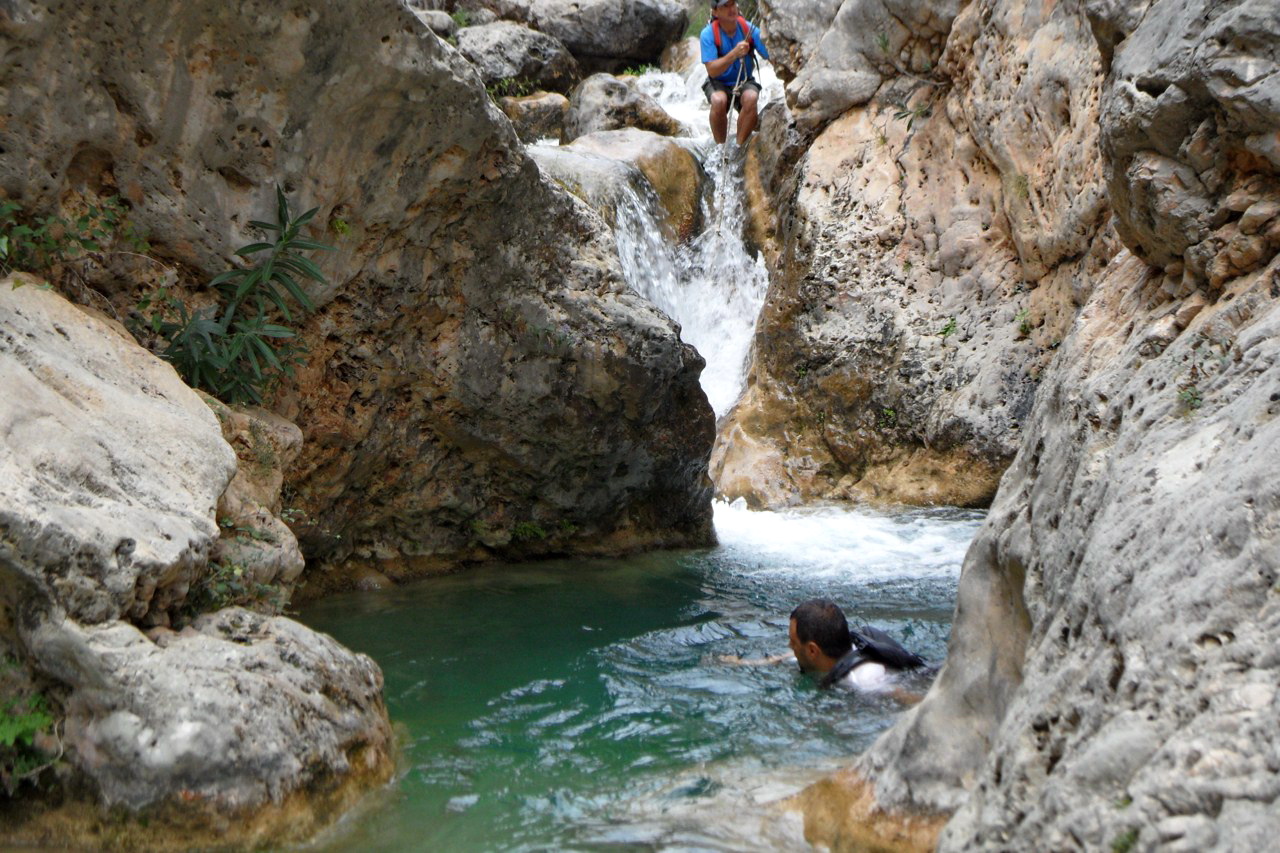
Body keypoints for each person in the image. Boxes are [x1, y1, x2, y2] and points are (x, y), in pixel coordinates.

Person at [722, 598, 929, 701]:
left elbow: (902, 696)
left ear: (812, 650)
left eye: (793, 642)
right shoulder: (844, 646)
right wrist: (741, 663)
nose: (790, 647)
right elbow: (787, 658)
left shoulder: (864, 680)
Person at [699, 0, 770, 146]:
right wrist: (734, 54)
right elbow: (712, 70)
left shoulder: (748, 29)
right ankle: (721, 148)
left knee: (751, 97)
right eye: (725, 6)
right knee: (719, 101)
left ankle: (738, 147)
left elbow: (770, 55)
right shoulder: (708, 34)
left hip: (744, 80)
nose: (731, 9)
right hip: (718, 81)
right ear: (715, 12)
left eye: (732, 4)